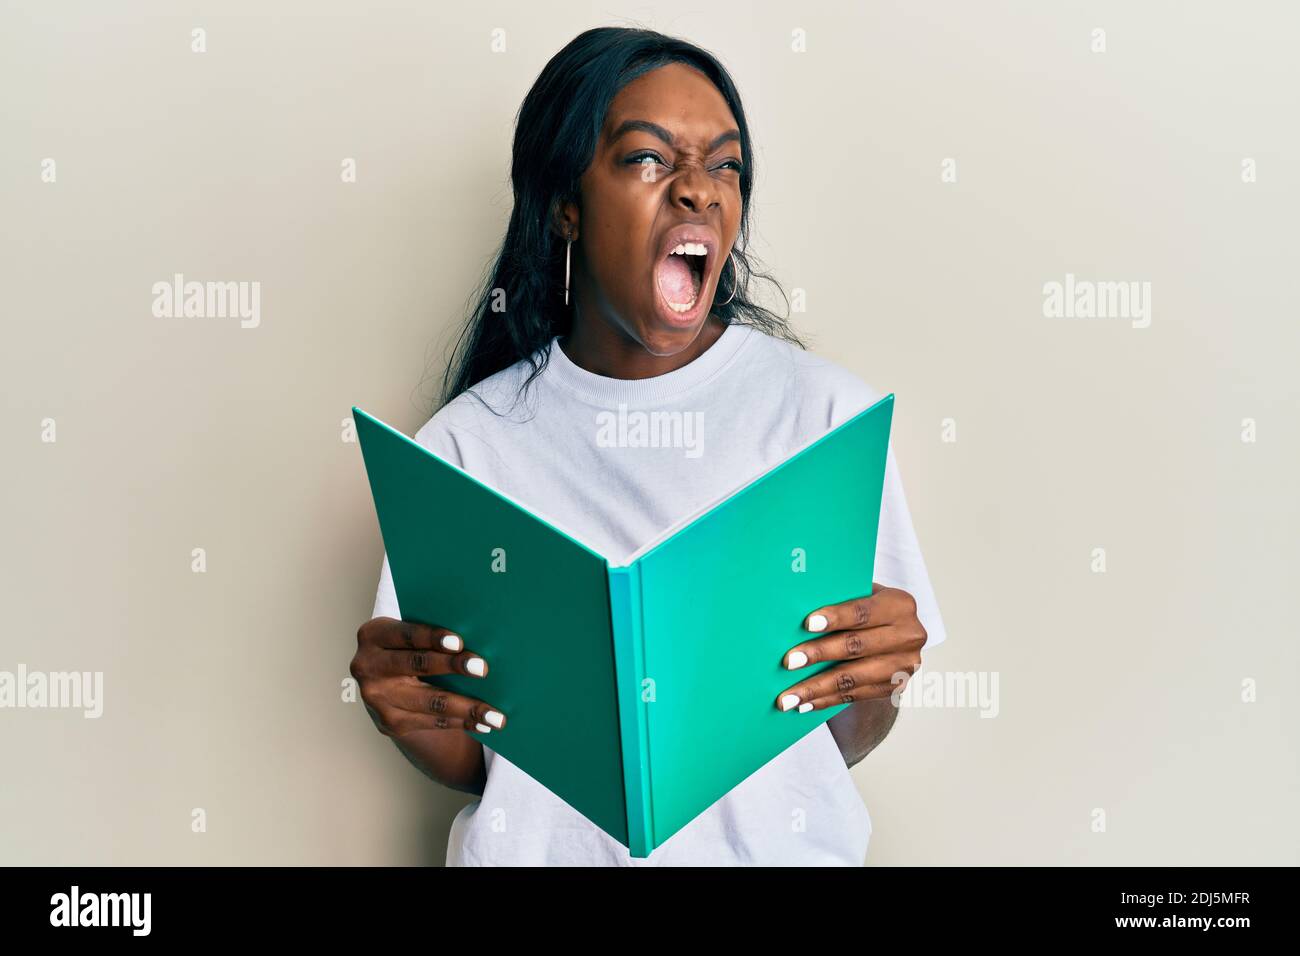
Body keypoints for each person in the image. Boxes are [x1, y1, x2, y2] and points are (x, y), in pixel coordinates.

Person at [351, 26, 947, 866]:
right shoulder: (466, 445)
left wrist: (871, 677)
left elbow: (841, 740)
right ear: (566, 204)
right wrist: (407, 713)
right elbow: (476, 761)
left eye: (725, 165)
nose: (698, 189)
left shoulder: (826, 419)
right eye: (647, 159)